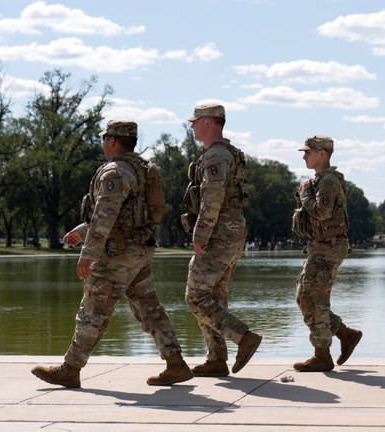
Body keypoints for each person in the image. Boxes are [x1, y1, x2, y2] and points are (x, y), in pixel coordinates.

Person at [31, 121, 193, 388]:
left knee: (93, 310)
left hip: (117, 254)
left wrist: (87, 254)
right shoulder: (141, 169)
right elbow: (121, 214)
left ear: (113, 141)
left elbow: (106, 216)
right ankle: (175, 363)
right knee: (149, 308)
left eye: (104, 137)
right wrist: (82, 231)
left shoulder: (115, 172)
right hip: (139, 250)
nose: (103, 142)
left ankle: (70, 369)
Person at [181, 103, 261, 377]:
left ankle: (243, 337)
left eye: (195, 121)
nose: (191, 126)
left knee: (195, 296)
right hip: (231, 230)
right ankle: (216, 359)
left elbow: (212, 200)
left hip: (219, 233)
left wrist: (200, 234)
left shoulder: (216, 156)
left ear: (208, 123)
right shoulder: (227, 154)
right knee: (214, 297)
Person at [291, 135, 362, 372]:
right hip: (320, 246)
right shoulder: (319, 180)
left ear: (323, 154)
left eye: (308, 152)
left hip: (328, 248)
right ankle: (345, 334)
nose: (304, 156)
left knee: (316, 300)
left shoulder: (329, 181)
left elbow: (321, 213)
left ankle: (322, 355)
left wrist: (304, 195)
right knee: (304, 297)